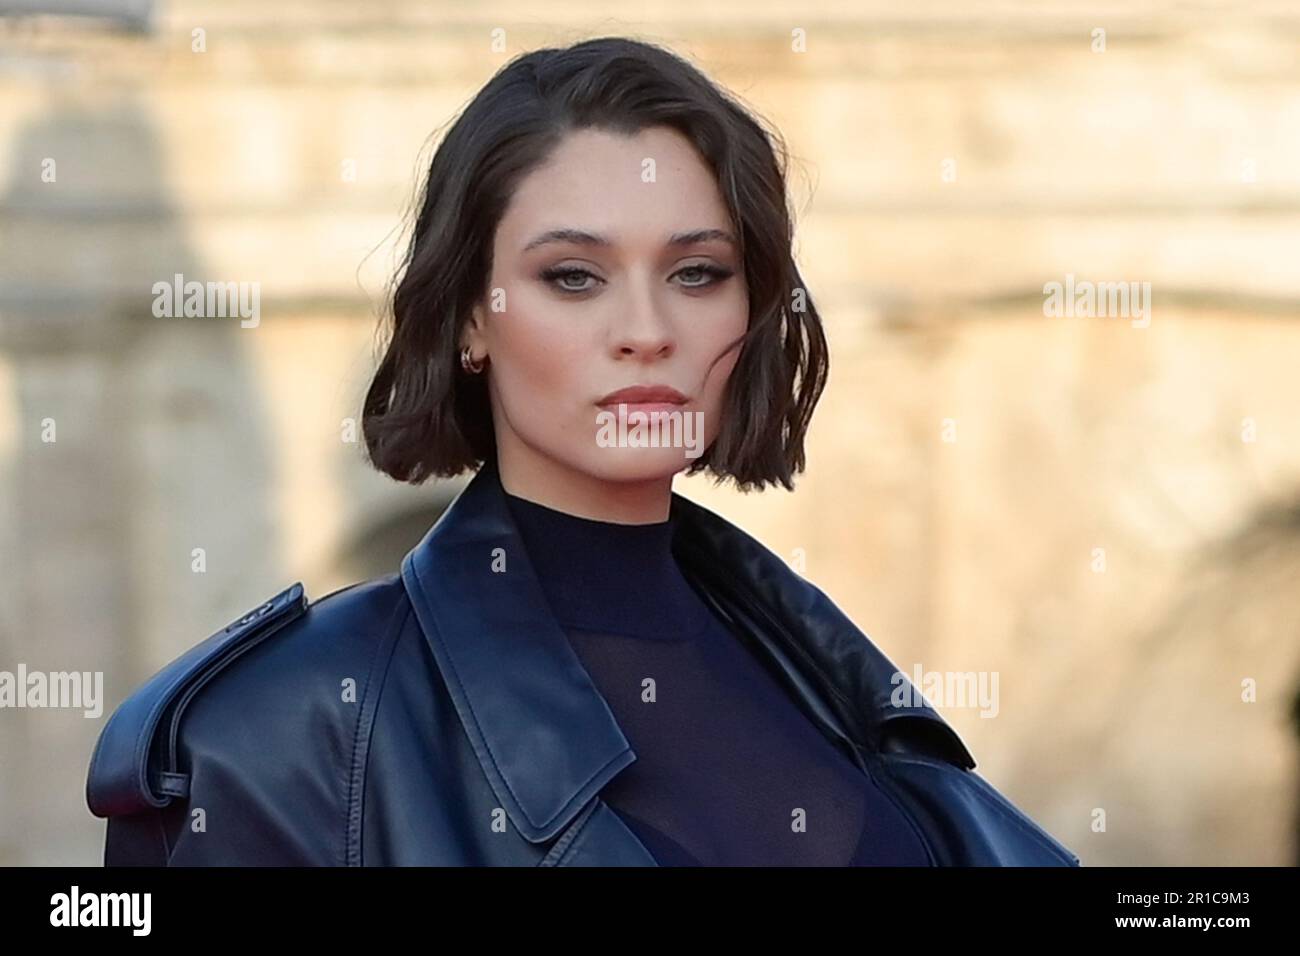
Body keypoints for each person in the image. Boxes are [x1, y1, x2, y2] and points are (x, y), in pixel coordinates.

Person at [86, 36, 1080, 867]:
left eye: (696, 272)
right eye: (573, 276)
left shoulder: (824, 687)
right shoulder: (282, 733)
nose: (646, 329)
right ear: (471, 316)